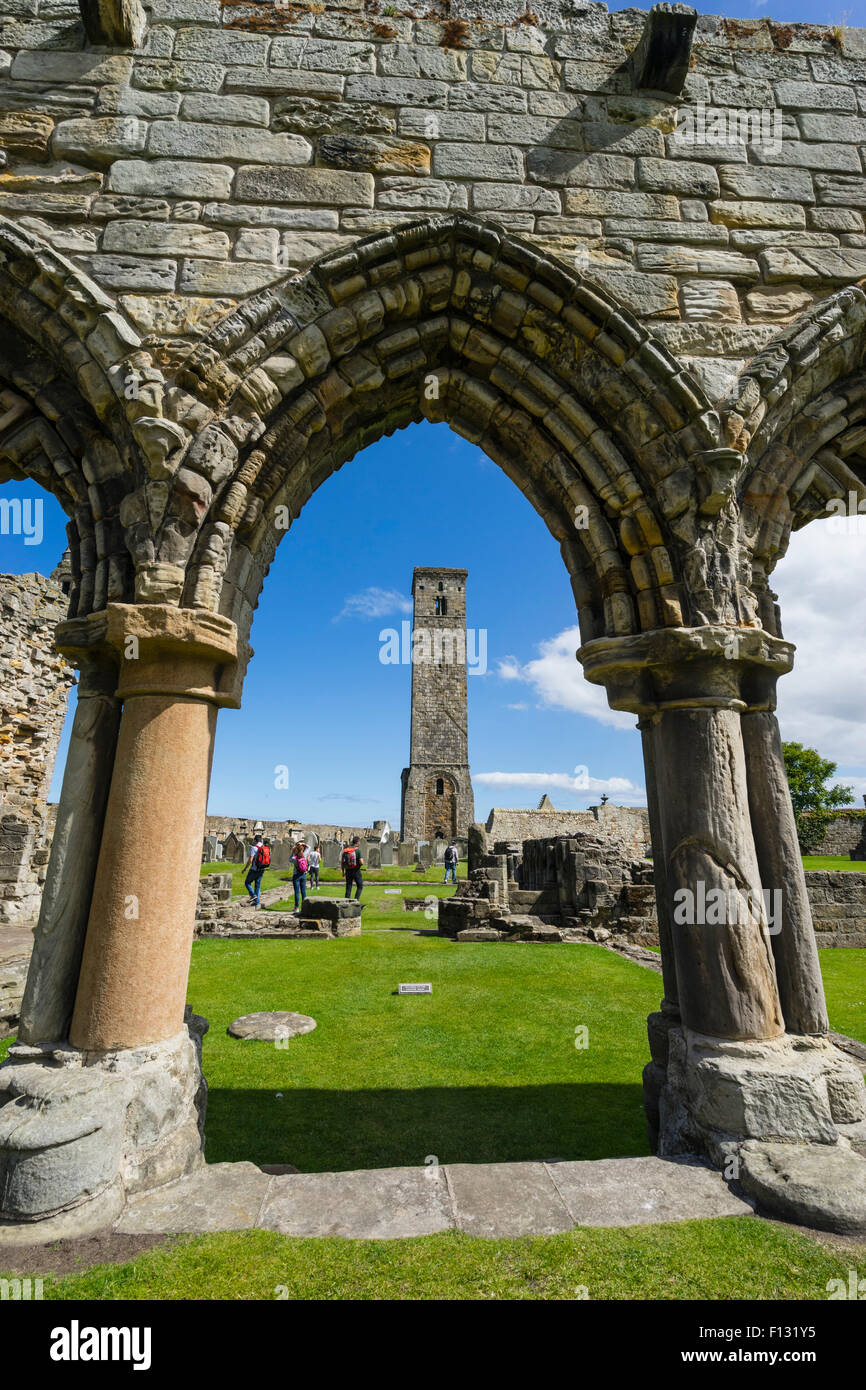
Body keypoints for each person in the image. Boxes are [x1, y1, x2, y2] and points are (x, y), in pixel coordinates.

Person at [244, 834, 270, 908]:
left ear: (255, 840)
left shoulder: (254, 848)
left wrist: (245, 868)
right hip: (262, 869)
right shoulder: (265, 847)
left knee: (247, 882)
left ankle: (253, 895)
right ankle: (257, 902)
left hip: (254, 869)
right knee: (257, 886)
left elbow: (250, 860)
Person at [341, 835, 364, 900]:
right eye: (359, 842)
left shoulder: (346, 851)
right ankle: (356, 900)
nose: (359, 843)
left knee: (348, 886)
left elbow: (342, 863)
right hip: (356, 871)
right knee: (360, 886)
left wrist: (343, 872)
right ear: (357, 842)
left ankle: (346, 901)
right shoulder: (358, 851)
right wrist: (360, 864)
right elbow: (361, 862)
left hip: (348, 870)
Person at [291, 841, 308, 912]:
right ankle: (305, 907)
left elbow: (289, 859)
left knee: (297, 892)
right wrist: (303, 844)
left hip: (296, 875)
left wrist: (294, 848)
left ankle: (297, 908)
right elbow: (309, 847)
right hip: (303, 875)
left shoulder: (294, 858)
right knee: (303, 892)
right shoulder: (305, 855)